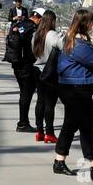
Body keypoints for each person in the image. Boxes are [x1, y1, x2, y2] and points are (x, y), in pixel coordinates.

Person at [53, 9, 93, 182]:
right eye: (91, 22)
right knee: (87, 127)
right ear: (85, 24)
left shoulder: (73, 39)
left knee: (71, 125)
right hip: (76, 89)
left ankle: (59, 162)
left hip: (73, 87)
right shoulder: (78, 44)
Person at [5, 7, 39, 134]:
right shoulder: (31, 27)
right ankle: (23, 123)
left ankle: (23, 122)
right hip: (26, 65)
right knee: (26, 94)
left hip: (16, 62)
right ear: (37, 17)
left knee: (24, 93)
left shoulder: (19, 24)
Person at [33, 10, 62, 144]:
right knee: (50, 103)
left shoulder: (36, 35)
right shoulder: (52, 35)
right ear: (52, 21)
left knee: (40, 101)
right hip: (50, 73)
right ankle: (49, 133)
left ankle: (39, 131)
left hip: (38, 71)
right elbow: (63, 47)